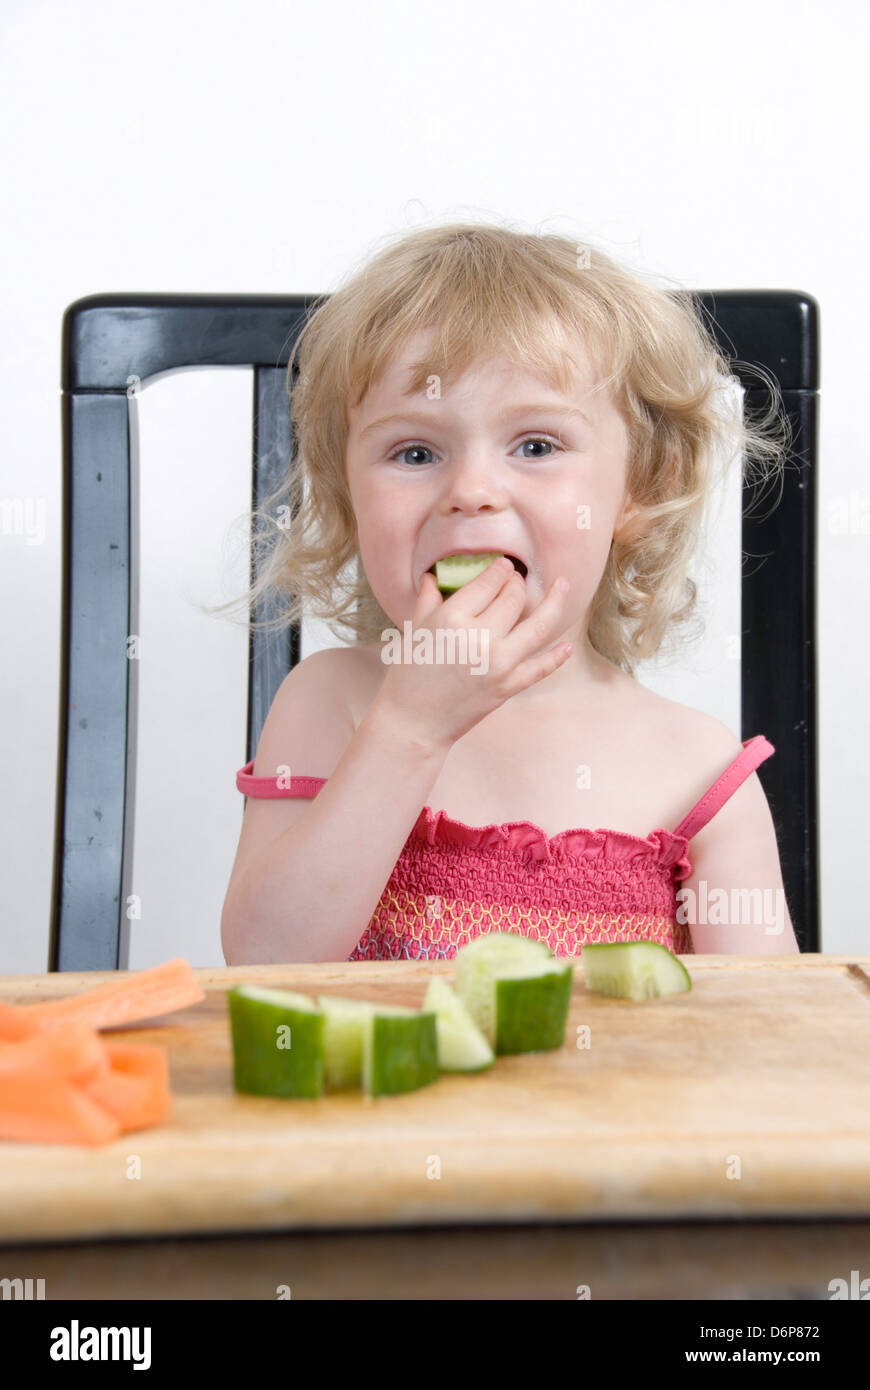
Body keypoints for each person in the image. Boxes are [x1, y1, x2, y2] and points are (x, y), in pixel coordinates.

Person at [216, 221, 800, 963]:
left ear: (639, 490)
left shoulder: (698, 766)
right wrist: (407, 733)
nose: (472, 491)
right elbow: (266, 963)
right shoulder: (331, 702)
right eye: (415, 451)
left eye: (536, 446)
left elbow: (762, 1034)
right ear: (348, 498)